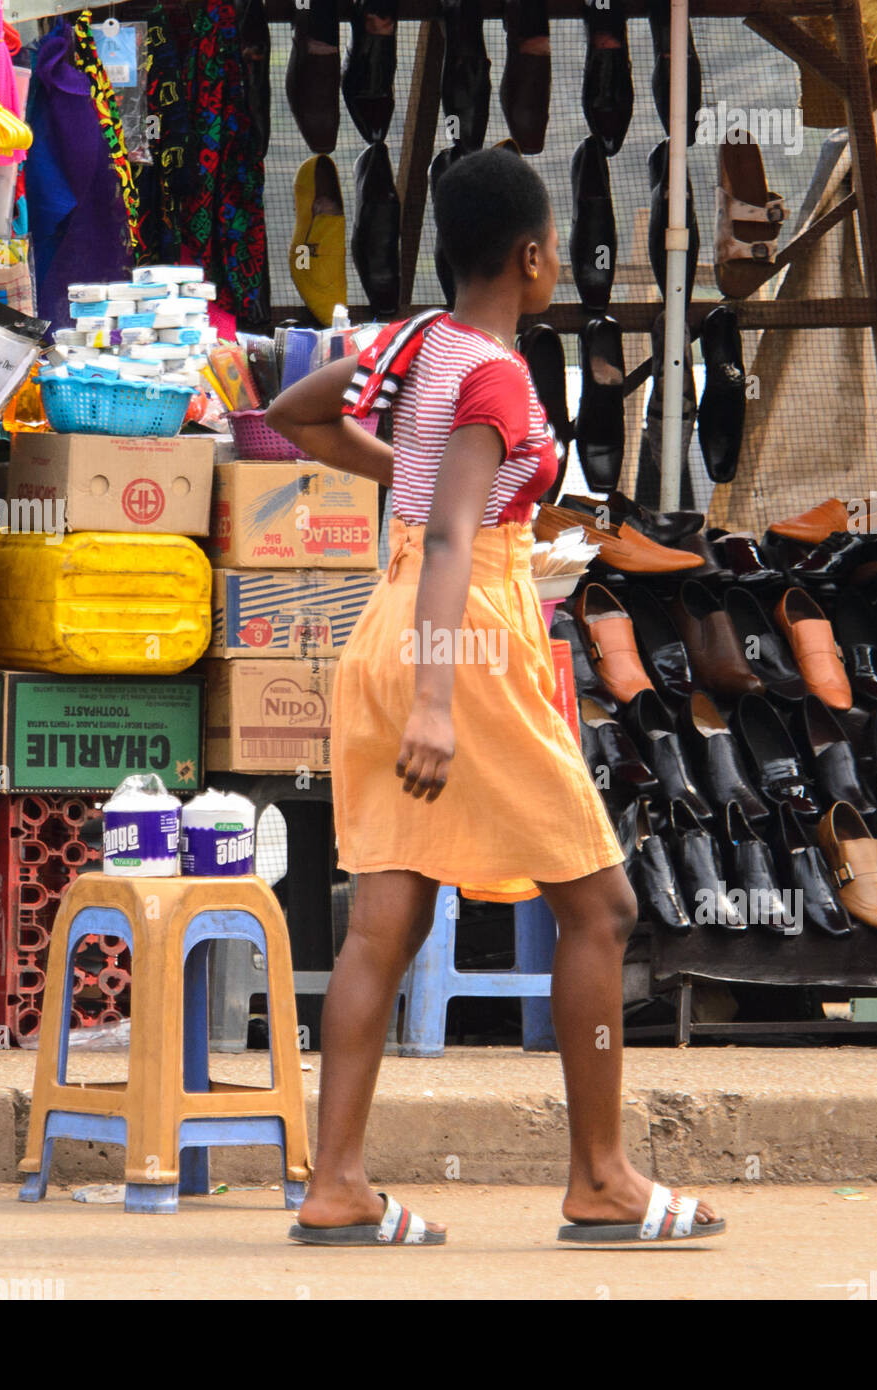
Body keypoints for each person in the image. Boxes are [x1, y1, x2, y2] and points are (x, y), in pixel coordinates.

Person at [266, 147, 725, 1245]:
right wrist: (436, 699)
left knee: (385, 913)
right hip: (455, 645)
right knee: (600, 907)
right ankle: (602, 1179)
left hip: (388, 631)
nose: (560, 258)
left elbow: (297, 411)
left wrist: (409, 481)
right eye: (556, 242)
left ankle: (336, 1185)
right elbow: (458, 541)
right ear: (529, 257)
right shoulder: (499, 373)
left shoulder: (426, 340)